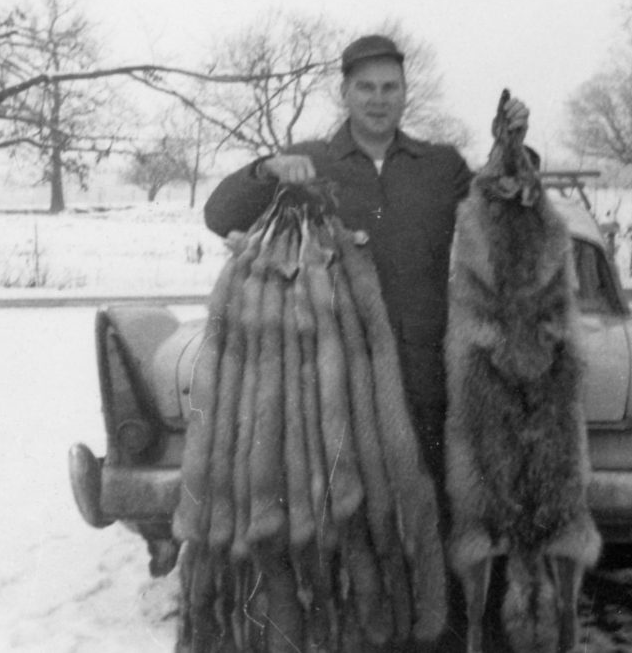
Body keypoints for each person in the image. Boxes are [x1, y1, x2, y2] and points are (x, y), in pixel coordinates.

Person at [204, 34, 529, 500]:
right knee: (351, 523)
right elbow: (219, 217)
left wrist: (511, 148)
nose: (379, 100)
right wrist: (265, 170)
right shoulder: (310, 160)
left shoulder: (441, 166)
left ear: (404, 93)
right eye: (366, 88)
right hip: (336, 379)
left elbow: (505, 208)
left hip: (427, 377)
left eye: (390, 88)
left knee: (433, 512)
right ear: (345, 93)